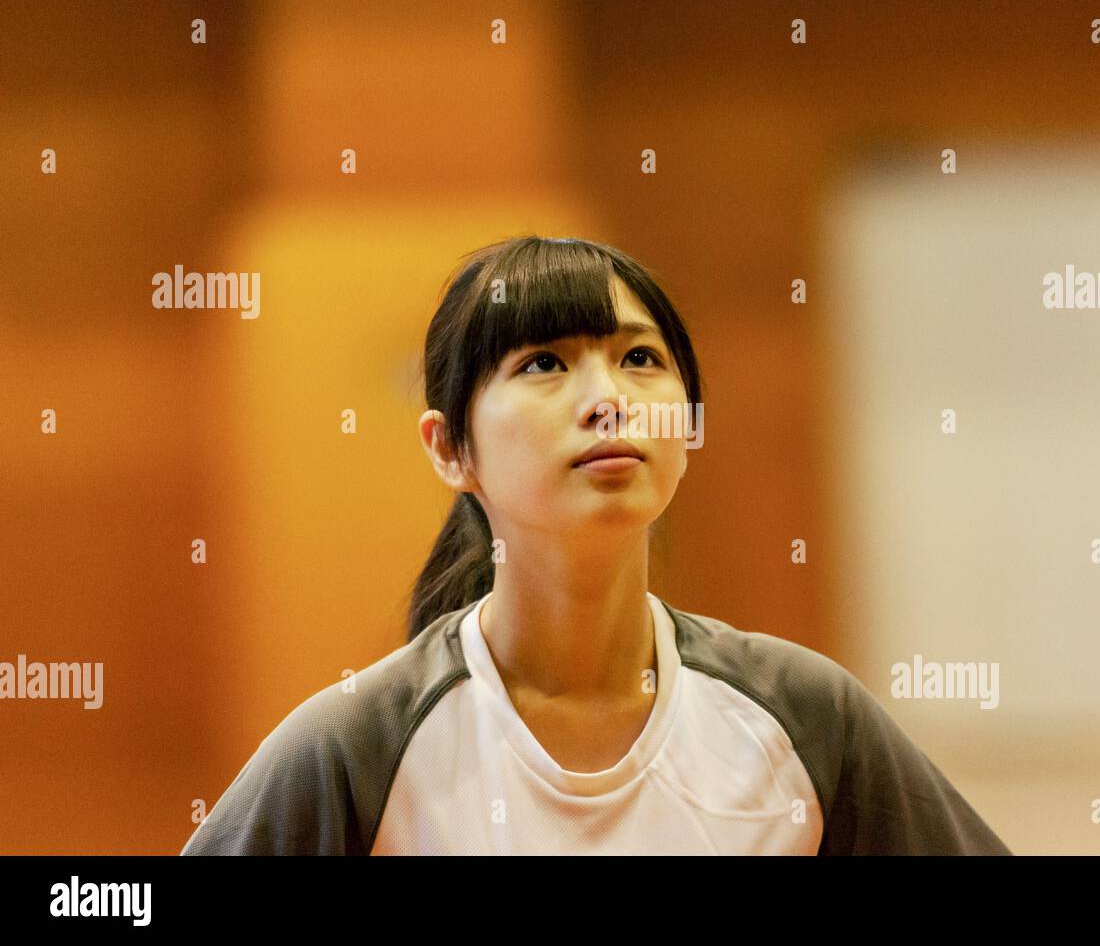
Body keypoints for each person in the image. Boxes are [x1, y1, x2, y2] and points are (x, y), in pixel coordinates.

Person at [180, 234, 1011, 855]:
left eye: (640, 358)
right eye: (544, 362)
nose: (609, 399)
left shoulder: (806, 714)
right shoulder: (357, 745)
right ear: (448, 447)